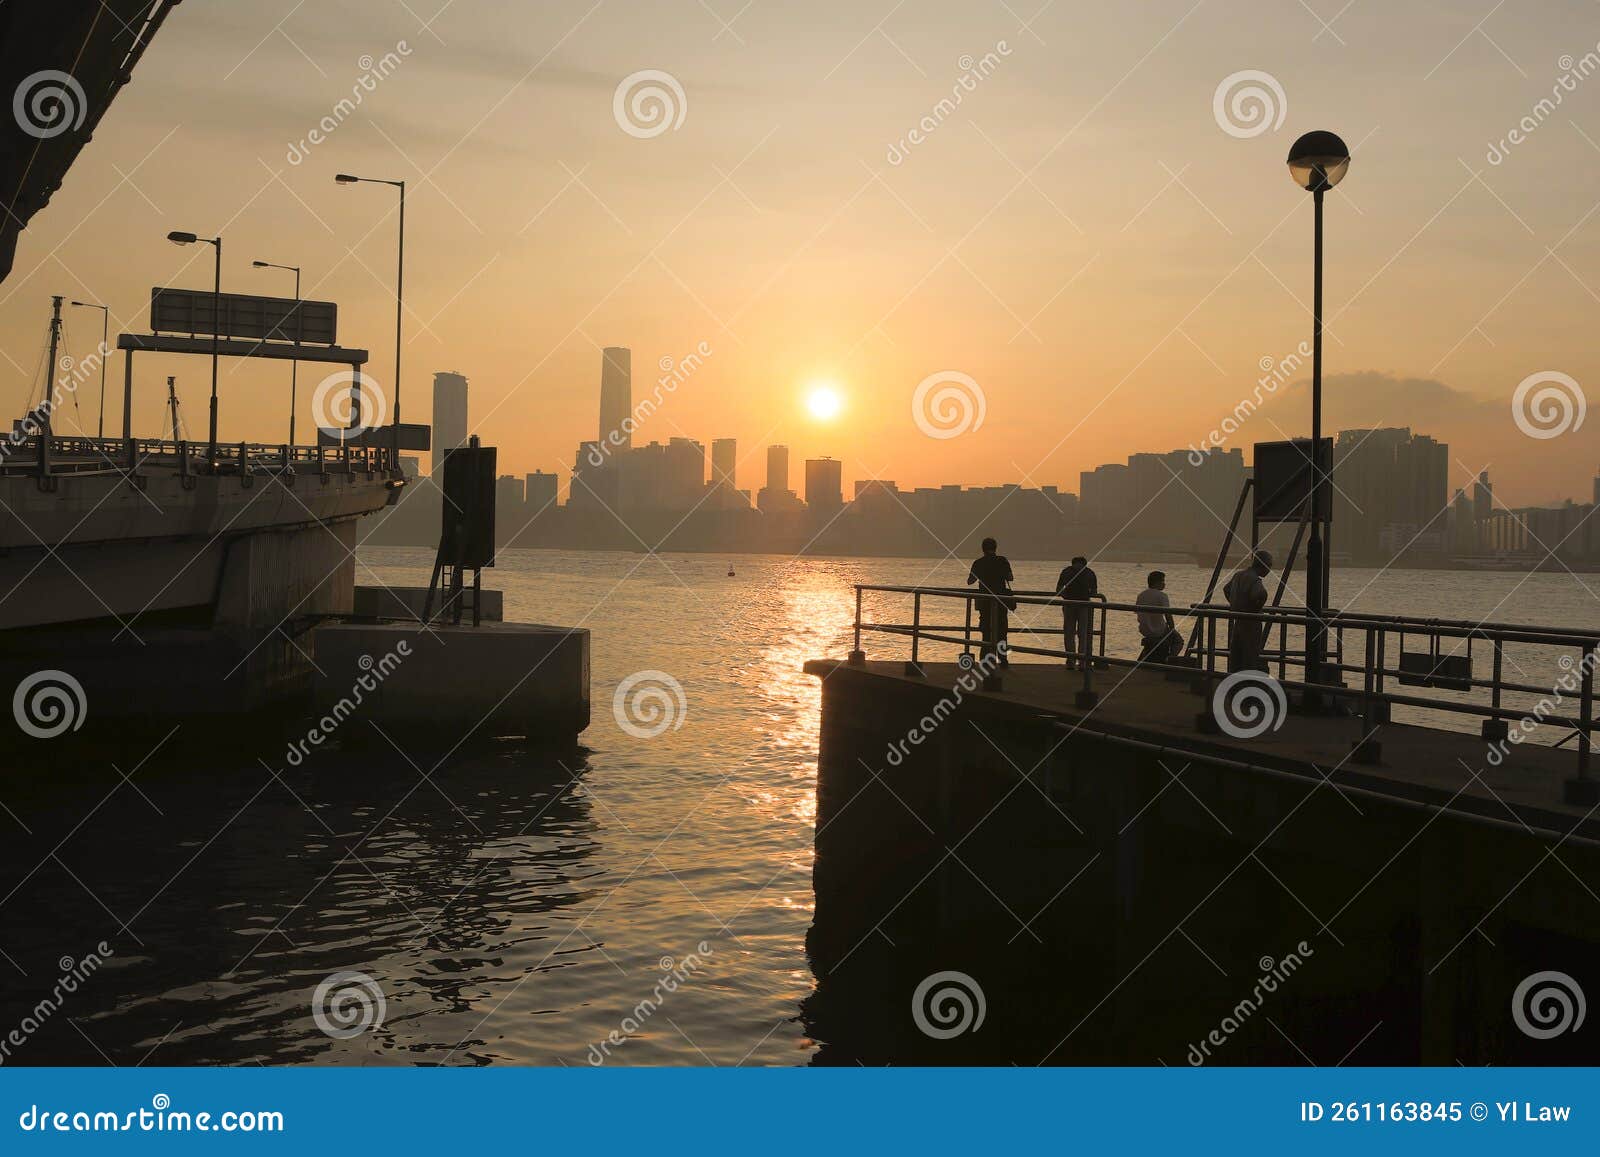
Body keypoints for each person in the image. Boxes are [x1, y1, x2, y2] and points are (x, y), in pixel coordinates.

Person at [966, 537, 1014, 666]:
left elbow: (970, 581)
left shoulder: (978, 563)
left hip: (985, 600)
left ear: (982, 549)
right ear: (995, 548)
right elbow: (1010, 577)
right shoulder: (1002, 560)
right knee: (1002, 630)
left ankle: (986, 659)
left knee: (986, 630)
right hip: (1001, 599)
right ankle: (1003, 659)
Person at [1223, 549, 1272, 672]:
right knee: (1250, 657)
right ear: (1264, 565)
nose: (1270, 570)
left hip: (1238, 620)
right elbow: (1260, 594)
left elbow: (1226, 589)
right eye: (1269, 566)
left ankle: (1234, 683)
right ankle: (1248, 684)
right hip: (1251, 622)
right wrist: (1256, 609)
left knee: (1236, 655)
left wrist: (1234, 603)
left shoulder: (1238, 575)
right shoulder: (1255, 580)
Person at [1056, 555, 1098, 669]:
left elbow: (1059, 589)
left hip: (1069, 604)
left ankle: (1070, 661)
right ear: (1085, 563)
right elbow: (1094, 592)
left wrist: (1066, 596)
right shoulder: (1089, 573)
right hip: (1084, 605)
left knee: (1069, 633)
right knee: (1083, 634)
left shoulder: (1066, 571)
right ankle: (1083, 662)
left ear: (1072, 563)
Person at [1135, 570, 1181, 663]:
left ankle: (1146, 657)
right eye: (1163, 581)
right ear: (1157, 582)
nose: (1164, 584)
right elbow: (1168, 615)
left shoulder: (1141, 595)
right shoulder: (1162, 596)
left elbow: (1138, 613)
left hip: (1144, 629)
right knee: (1178, 641)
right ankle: (1169, 660)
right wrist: (1172, 629)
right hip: (1158, 630)